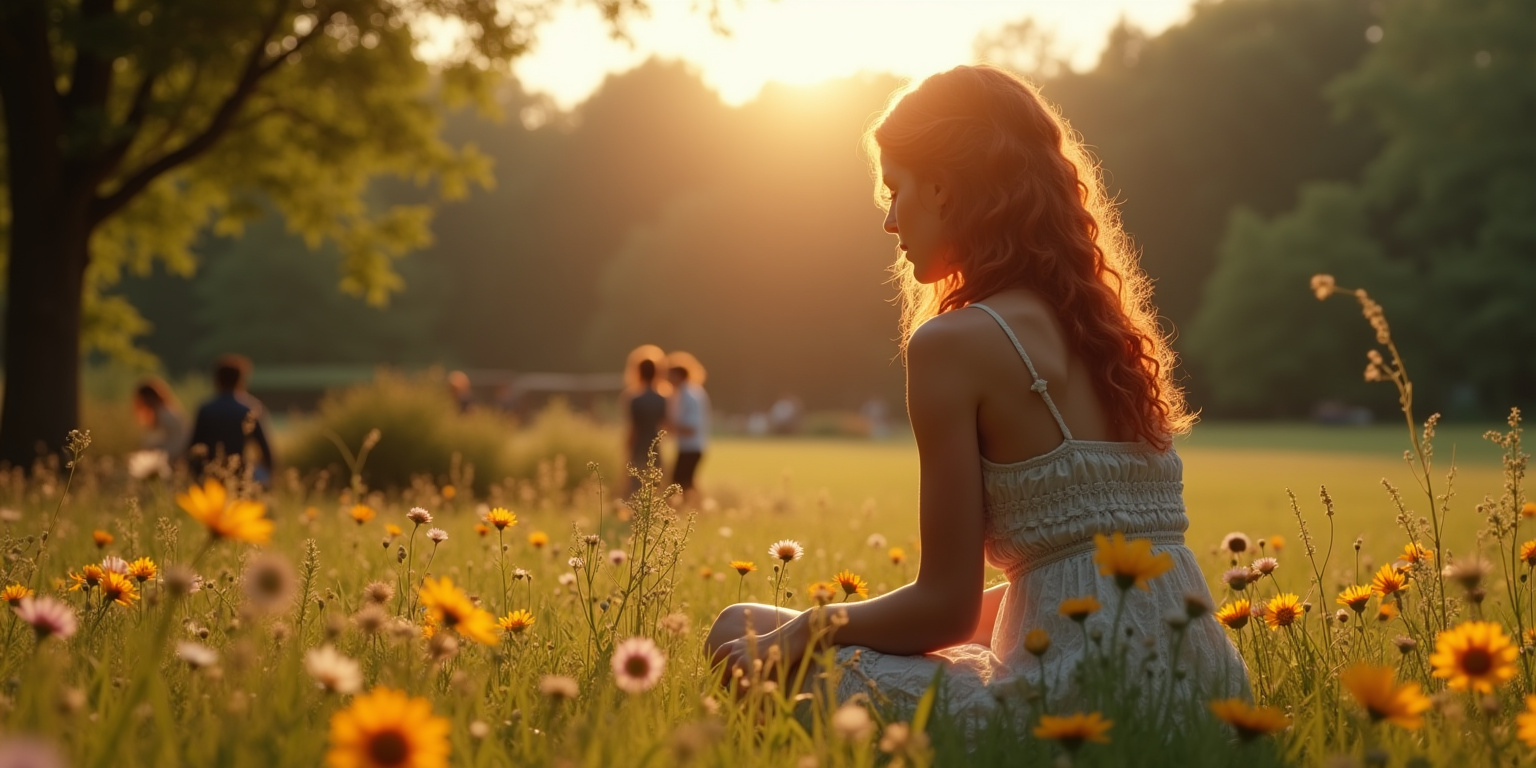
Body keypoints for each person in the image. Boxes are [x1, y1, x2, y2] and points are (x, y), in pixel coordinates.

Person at [706, 65, 1248, 719]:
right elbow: (1070, 578)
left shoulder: (953, 345)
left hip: (1079, 705)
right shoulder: (1106, 337)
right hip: (1204, 693)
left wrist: (810, 627)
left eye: (894, 190)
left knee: (739, 630)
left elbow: (945, 607)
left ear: (940, 187)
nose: (889, 221)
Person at [188, 354, 276, 484]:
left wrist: (196, 475)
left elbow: (193, 447)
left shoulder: (206, 409)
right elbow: (266, 450)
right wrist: (267, 476)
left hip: (209, 476)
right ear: (241, 380)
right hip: (241, 474)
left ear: (217, 380)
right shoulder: (251, 408)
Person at [620, 347, 669, 496]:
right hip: (655, 444)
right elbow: (665, 423)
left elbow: (633, 428)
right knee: (655, 484)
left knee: (636, 483)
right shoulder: (663, 397)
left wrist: (626, 449)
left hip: (639, 445)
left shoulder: (634, 398)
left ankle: (635, 515)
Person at [664, 351, 709, 505]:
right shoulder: (691, 392)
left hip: (691, 446)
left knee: (680, 481)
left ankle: (694, 509)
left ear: (678, 376)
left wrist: (670, 426)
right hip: (691, 446)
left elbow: (691, 427)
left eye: (670, 375)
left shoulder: (688, 395)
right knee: (687, 480)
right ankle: (698, 508)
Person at [131, 377, 187, 460]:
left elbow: (163, 441)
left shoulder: (163, 414)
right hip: (178, 452)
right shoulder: (167, 411)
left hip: (174, 454)